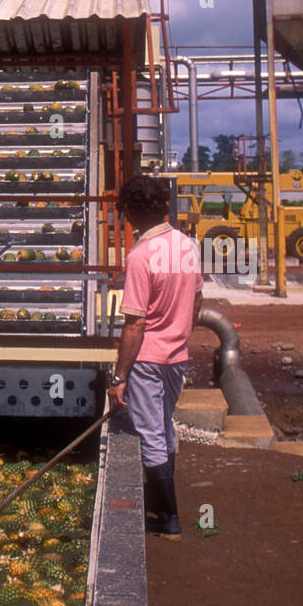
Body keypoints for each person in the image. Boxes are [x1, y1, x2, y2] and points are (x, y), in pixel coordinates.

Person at [108, 174, 203, 537]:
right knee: (164, 426)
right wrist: (179, 333)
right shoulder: (187, 245)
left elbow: (134, 324)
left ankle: (168, 516)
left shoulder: (140, 256)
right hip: (177, 355)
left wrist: (119, 377)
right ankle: (161, 500)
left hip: (147, 358)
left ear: (131, 212)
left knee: (149, 433)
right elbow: (197, 299)